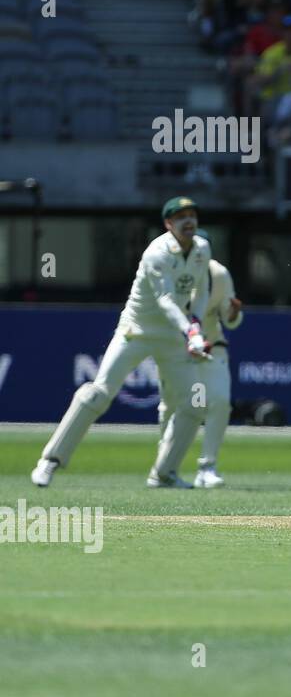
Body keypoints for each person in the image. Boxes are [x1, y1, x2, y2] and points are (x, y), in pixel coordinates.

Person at [31, 198, 214, 489]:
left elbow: (201, 291)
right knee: (97, 394)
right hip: (136, 331)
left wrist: (197, 325)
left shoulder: (203, 249)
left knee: (195, 403)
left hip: (171, 337)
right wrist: (190, 333)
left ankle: (164, 473)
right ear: (168, 224)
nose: (188, 221)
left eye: (192, 215)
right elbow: (165, 300)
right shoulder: (157, 253)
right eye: (180, 217)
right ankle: (50, 461)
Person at [158, 231, 245, 488]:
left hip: (211, 346)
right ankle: (165, 469)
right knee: (171, 407)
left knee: (219, 400)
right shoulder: (163, 268)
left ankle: (207, 467)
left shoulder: (218, 274)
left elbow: (230, 320)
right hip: (174, 348)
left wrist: (233, 314)